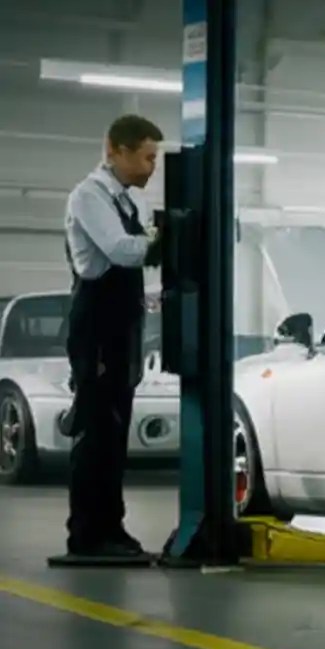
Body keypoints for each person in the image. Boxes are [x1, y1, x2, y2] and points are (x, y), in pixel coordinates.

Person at [59, 114, 164, 559]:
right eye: (147, 156)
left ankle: (112, 528)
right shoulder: (89, 196)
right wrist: (165, 240)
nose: (152, 167)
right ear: (115, 151)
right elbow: (121, 251)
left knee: (116, 430)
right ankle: (86, 533)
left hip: (120, 325)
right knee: (97, 430)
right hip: (97, 324)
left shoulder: (125, 201)